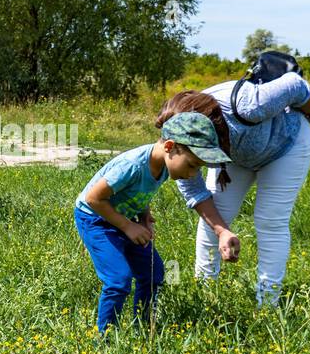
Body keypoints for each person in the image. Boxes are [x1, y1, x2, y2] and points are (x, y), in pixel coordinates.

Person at [160, 69, 310, 306]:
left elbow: (294, 84)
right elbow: (196, 192)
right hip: (238, 156)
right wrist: (222, 230)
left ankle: (267, 304)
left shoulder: (248, 105)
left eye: (198, 162)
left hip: (286, 145)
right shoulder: (179, 139)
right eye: (194, 163)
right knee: (214, 219)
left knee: (270, 221)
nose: (193, 171)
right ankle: (204, 296)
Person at [74, 111, 232, 332]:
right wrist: (128, 226)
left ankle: (143, 325)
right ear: (170, 147)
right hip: (95, 218)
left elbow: (140, 190)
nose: (193, 173)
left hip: (124, 218)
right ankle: (106, 340)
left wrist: (143, 216)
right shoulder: (132, 165)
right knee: (119, 279)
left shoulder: (163, 167)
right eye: (192, 165)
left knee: (153, 273)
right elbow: (93, 198)